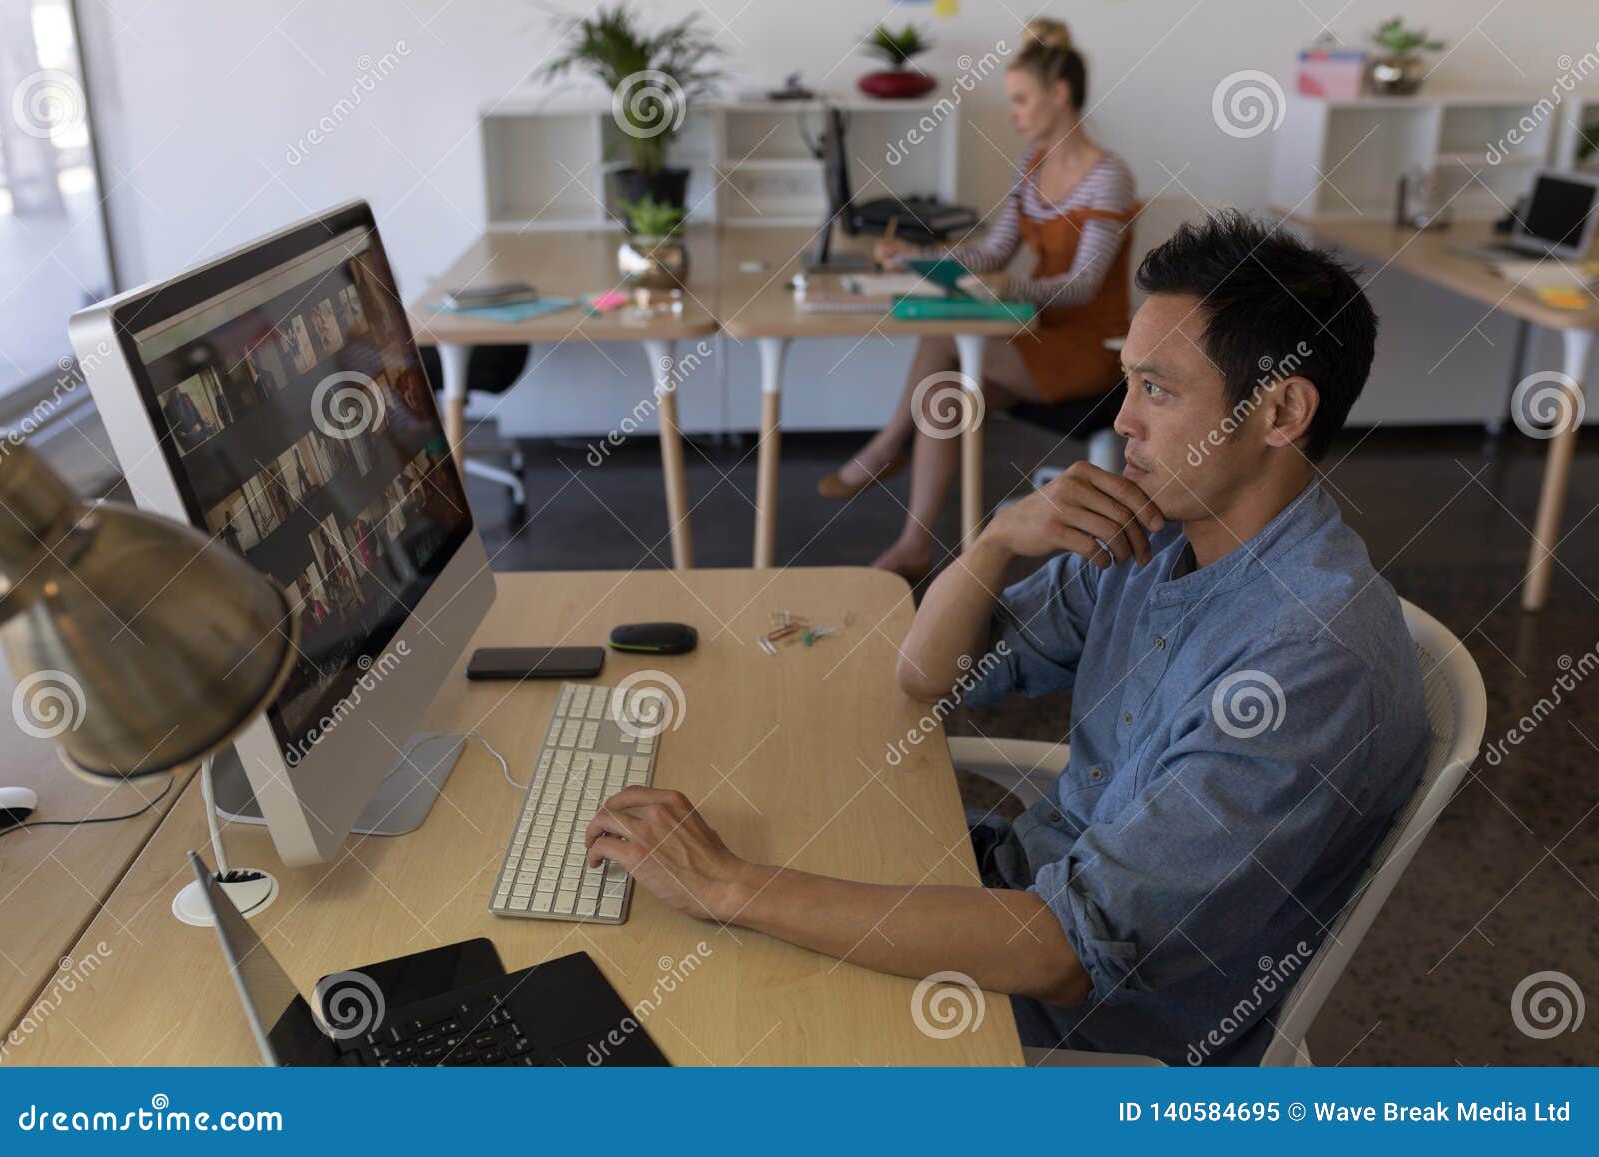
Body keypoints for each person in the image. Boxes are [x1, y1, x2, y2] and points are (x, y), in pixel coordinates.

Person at [581, 212, 1430, 1066]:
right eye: (1128, 381)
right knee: (695, 924)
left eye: (1158, 390)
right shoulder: (1161, 534)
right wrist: (996, 538)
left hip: (1088, 1030)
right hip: (1009, 889)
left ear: (1281, 410)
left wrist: (728, 885)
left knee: (706, 1017)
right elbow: (929, 673)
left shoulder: (1308, 661)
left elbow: (1065, 952)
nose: (1124, 420)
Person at [818, 17, 1137, 580]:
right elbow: (994, 252)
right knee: (941, 395)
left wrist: (1013, 287)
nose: (1013, 113)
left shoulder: (1109, 175)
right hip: (1035, 330)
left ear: (1059, 94)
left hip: (1089, 347)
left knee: (944, 338)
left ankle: (887, 445)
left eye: (1021, 99)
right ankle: (915, 547)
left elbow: (1084, 285)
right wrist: (919, 259)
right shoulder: (1031, 165)